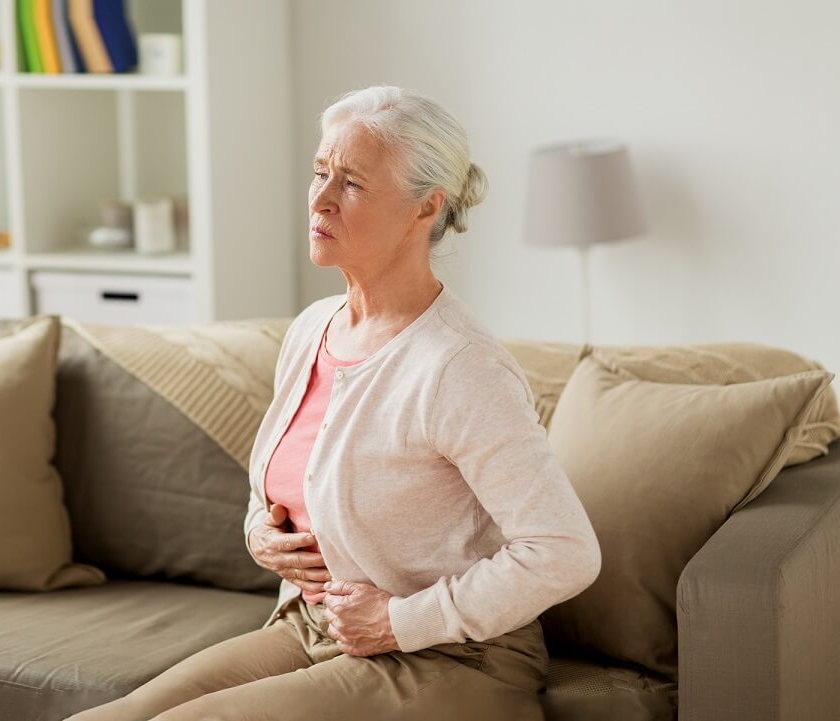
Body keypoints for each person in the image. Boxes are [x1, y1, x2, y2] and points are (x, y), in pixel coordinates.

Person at [65, 86, 601, 721]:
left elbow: (564, 551)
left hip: (453, 657)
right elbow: (290, 490)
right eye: (320, 172)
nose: (320, 198)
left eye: (351, 183)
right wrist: (263, 535)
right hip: (315, 632)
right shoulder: (314, 328)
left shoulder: (459, 367)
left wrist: (399, 621)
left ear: (424, 208)